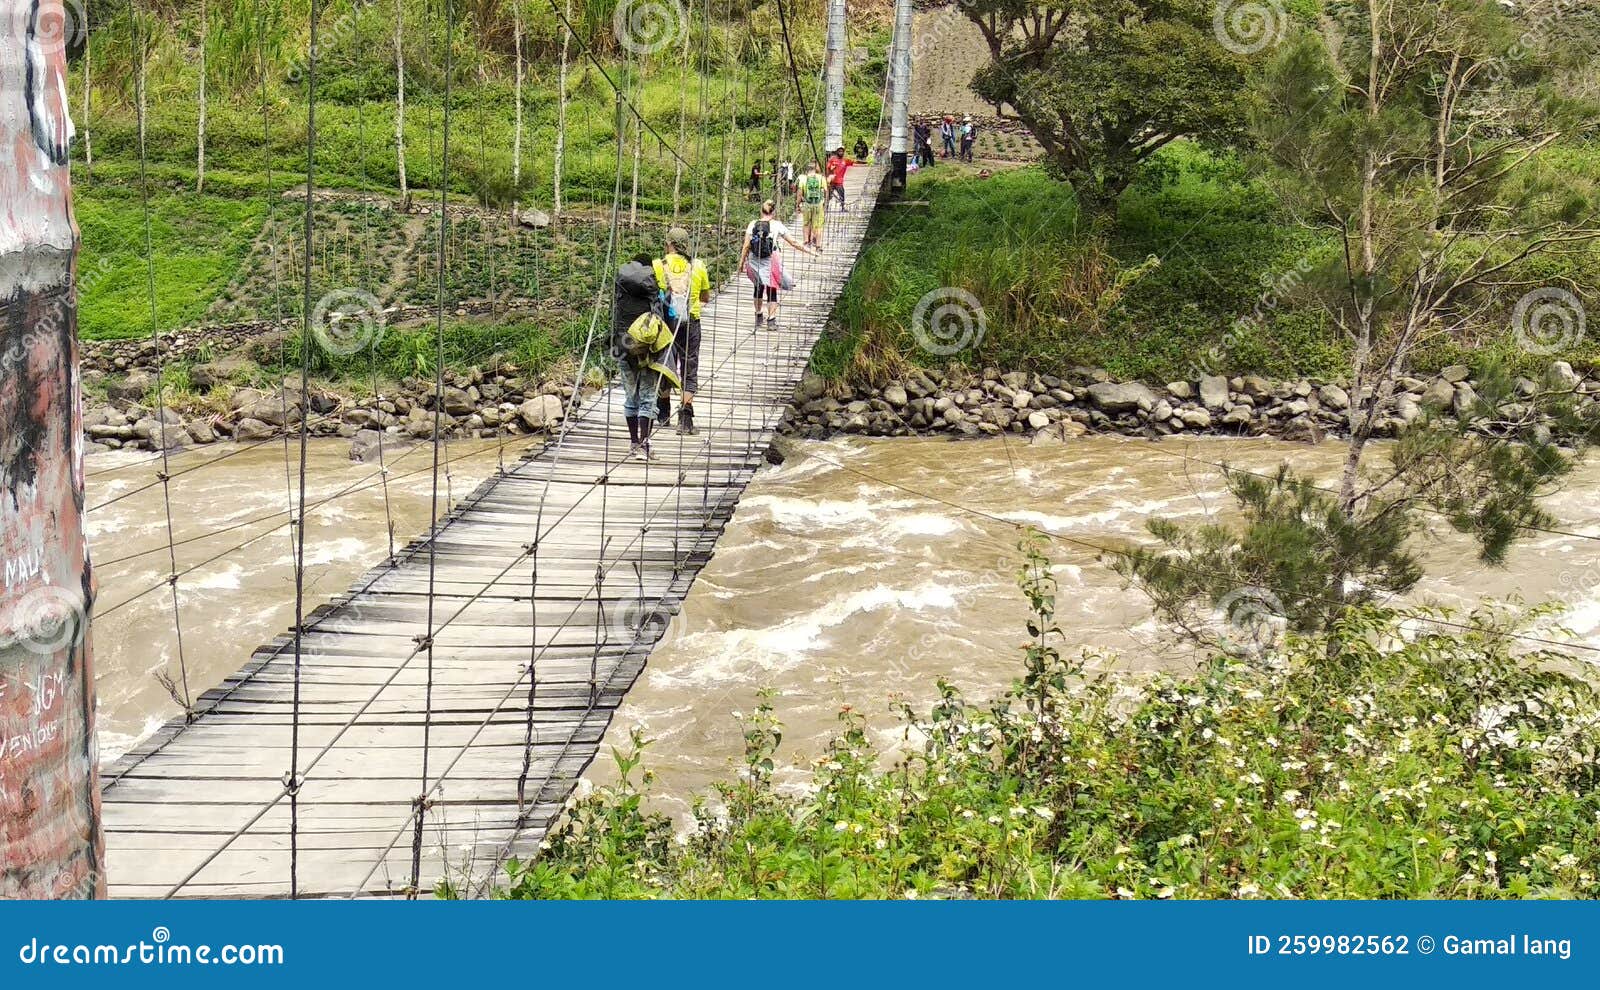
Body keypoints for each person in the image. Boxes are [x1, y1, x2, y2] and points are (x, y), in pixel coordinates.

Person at [613, 253, 681, 461]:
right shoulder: (654, 288)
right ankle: (644, 443)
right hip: (648, 349)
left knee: (630, 398)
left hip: (623, 345)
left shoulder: (621, 288)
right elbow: (668, 315)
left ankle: (633, 442)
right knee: (648, 398)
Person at [653, 227, 712, 435]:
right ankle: (685, 420)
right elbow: (705, 297)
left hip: (666, 323)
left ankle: (662, 412)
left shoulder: (658, 266)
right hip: (691, 322)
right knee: (690, 366)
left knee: (666, 363)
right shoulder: (698, 266)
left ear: (668, 244)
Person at [739, 199, 816, 330]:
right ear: (773, 212)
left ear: (761, 211)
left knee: (758, 288)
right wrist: (810, 251)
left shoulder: (753, 224)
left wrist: (741, 264)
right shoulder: (777, 225)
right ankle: (771, 320)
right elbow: (793, 242)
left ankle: (758, 315)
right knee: (771, 289)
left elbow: (746, 245)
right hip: (770, 259)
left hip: (754, 259)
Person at [796, 159, 828, 250]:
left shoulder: (803, 178)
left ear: (807, 169)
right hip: (818, 205)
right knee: (818, 225)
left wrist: (797, 204)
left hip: (807, 204)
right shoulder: (821, 178)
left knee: (806, 223)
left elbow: (799, 193)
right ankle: (818, 245)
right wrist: (825, 203)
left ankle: (806, 242)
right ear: (815, 169)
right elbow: (826, 191)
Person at [825, 147, 855, 213]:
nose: (841, 153)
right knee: (828, 195)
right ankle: (825, 208)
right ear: (837, 152)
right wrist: (827, 176)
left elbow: (854, 163)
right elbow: (828, 168)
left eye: (842, 151)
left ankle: (843, 207)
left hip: (839, 182)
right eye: (839, 151)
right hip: (831, 181)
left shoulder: (845, 161)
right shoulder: (832, 159)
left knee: (842, 194)